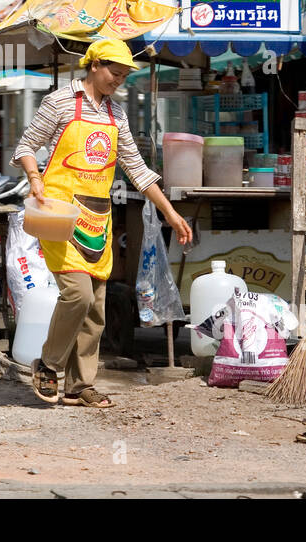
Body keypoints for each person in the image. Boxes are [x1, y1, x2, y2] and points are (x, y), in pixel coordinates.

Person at [13, 38, 192, 408]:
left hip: (97, 217)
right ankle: (48, 365)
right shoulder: (59, 101)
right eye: (115, 72)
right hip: (59, 214)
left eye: (124, 75)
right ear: (93, 65)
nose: (118, 80)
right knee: (76, 294)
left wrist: (171, 214)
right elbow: (26, 146)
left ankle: (80, 385)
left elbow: (139, 171)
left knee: (95, 307)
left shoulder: (117, 114)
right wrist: (35, 180)